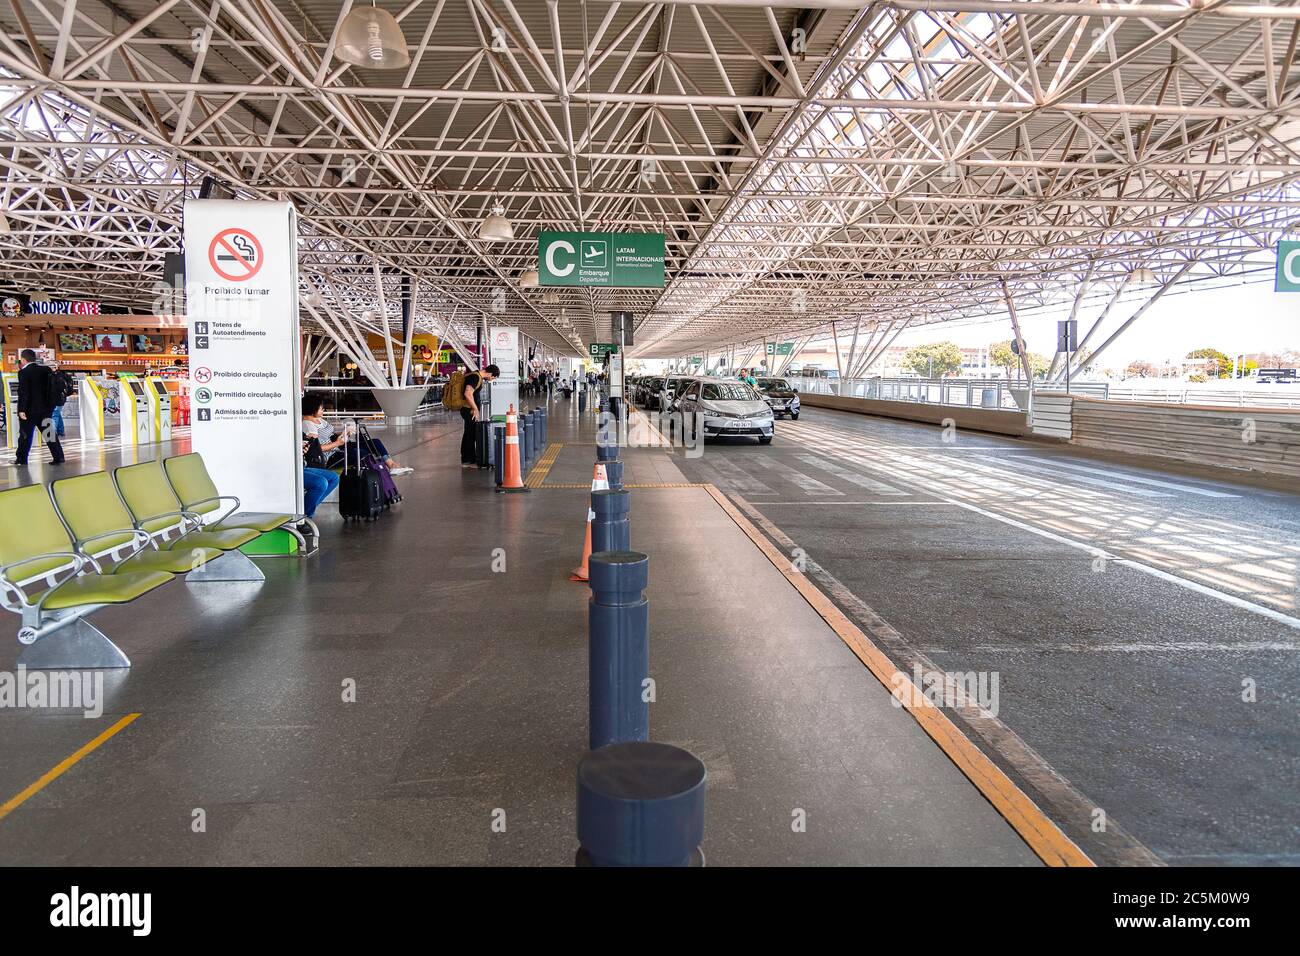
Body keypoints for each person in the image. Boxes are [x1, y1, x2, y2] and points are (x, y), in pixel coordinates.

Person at [302, 394, 412, 476]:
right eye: (321, 408)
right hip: (330, 455)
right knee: (363, 453)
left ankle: (392, 465)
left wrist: (344, 433)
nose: (323, 410)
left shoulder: (319, 419)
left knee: (374, 443)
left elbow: (329, 435)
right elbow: (315, 449)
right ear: (312, 408)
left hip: (338, 446)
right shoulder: (308, 425)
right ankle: (381, 474)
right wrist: (337, 443)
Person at [14, 349, 65, 467]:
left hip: (29, 411)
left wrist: (21, 409)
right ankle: (59, 456)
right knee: (49, 433)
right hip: (46, 409)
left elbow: (23, 392)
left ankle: (21, 459)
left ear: (23, 359)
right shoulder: (45, 370)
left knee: (25, 435)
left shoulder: (23, 372)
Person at [459, 364, 499, 467]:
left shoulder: (476, 376)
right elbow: (468, 393)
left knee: (469, 433)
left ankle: (467, 460)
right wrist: (475, 409)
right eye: (493, 377)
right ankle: (469, 461)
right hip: (469, 410)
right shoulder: (475, 377)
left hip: (469, 409)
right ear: (490, 373)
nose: (492, 379)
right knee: (470, 434)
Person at [302, 442, 340, 519]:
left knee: (333, 478)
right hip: (287, 468)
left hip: (299, 465)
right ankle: (305, 517)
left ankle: (306, 509)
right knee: (320, 483)